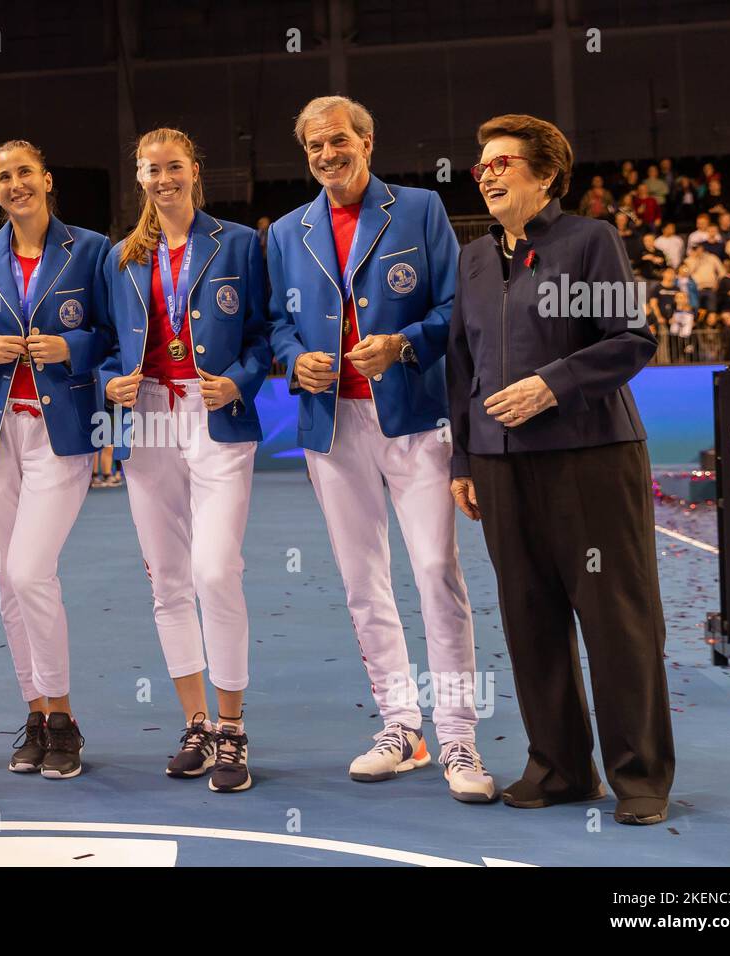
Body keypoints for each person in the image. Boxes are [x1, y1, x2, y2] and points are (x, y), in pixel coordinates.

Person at [446, 114, 676, 825]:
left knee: (616, 620)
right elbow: (463, 365)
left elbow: (633, 337)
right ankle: (560, 769)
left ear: (545, 174)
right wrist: (463, 456)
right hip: (500, 467)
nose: (486, 173)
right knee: (530, 620)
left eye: (502, 162)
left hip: (590, 459)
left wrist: (554, 383)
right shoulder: (475, 259)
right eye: (481, 164)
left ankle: (638, 776)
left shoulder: (589, 241)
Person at [266, 95, 493, 803]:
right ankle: (403, 726)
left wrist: (405, 344)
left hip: (414, 416)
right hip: (332, 427)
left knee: (434, 571)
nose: (327, 156)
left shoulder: (420, 209)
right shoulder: (287, 232)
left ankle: (458, 734)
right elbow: (277, 323)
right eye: (314, 148)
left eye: (338, 141)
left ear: (367, 139)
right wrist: (293, 358)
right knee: (364, 584)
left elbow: (456, 308)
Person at [100, 127, 270, 793]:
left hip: (216, 414)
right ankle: (197, 726)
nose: (164, 178)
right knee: (168, 579)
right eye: (151, 169)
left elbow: (262, 332)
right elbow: (114, 342)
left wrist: (243, 379)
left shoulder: (239, 244)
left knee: (216, 569)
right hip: (147, 419)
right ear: (138, 178)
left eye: (174, 167)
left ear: (195, 171)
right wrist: (117, 377)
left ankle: (233, 729)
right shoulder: (123, 257)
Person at [0, 139, 111, 779]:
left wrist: (69, 345)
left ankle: (65, 716)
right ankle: (37, 713)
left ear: (47, 180)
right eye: (3, 177)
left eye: (25, 173)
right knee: (8, 581)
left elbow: (112, 331)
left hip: (60, 429)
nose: (16, 184)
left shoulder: (92, 250)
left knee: (28, 569)